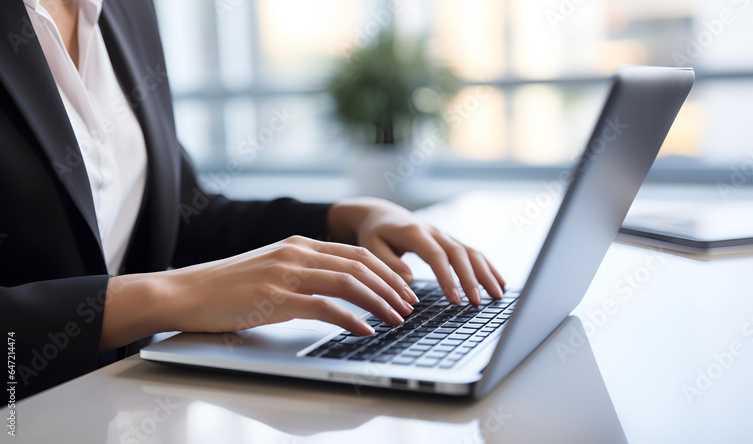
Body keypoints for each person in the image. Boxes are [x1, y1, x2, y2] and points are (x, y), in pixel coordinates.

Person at [0, 0, 505, 398]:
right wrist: (168, 297)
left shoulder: (126, 8)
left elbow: (177, 219)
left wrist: (344, 218)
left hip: (120, 404)